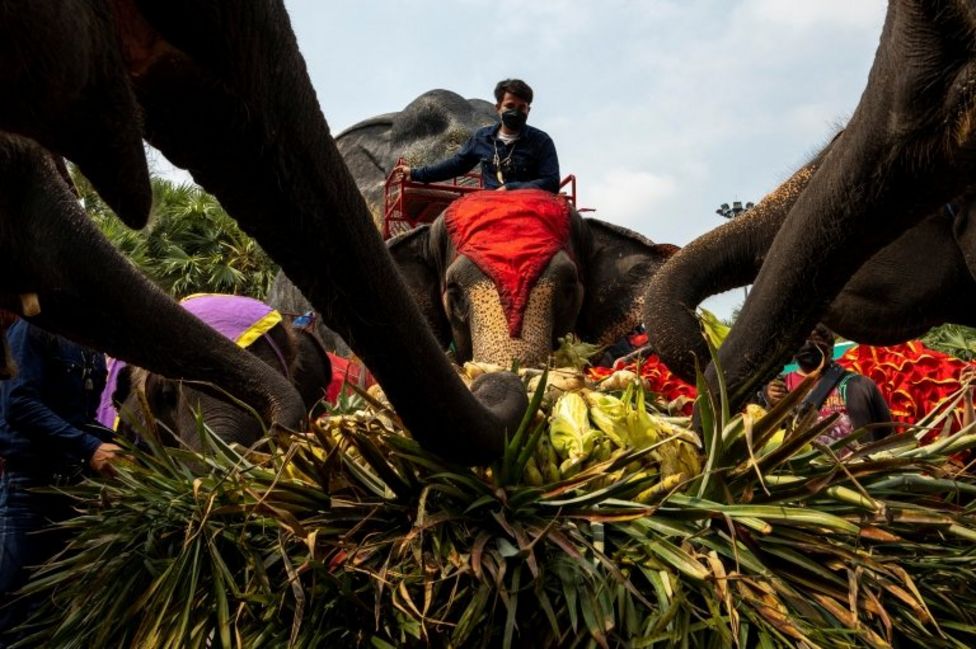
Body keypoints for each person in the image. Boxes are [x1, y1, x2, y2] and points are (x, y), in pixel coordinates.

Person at [0, 318, 121, 645]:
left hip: (70, 487)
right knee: (13, 599)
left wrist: (123, 447)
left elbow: (78, 418)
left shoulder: (91, 345)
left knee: (50, 601)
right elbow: (19, 403)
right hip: (27, 486)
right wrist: (90, 447)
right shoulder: (32, 328)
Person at [393, 78, 560, 193]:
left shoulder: (541, 141)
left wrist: (512, 189)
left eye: (521, 107)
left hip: (533, 205)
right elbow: (455, 165)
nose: (515, 111)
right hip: (491, 204)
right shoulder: (482, 138)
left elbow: (551, 181)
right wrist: (414, 174)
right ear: (498, 108)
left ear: (528, 110)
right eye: (510, 105)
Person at [762, 324, 892, 446]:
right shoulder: (779, 388)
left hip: (853, 466)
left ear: (830, 347)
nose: (808, 345)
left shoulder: (859, 385)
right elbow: (769, 441)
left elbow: (887, 437)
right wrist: (773, 406)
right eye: (803, 340)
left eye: (816, 341)